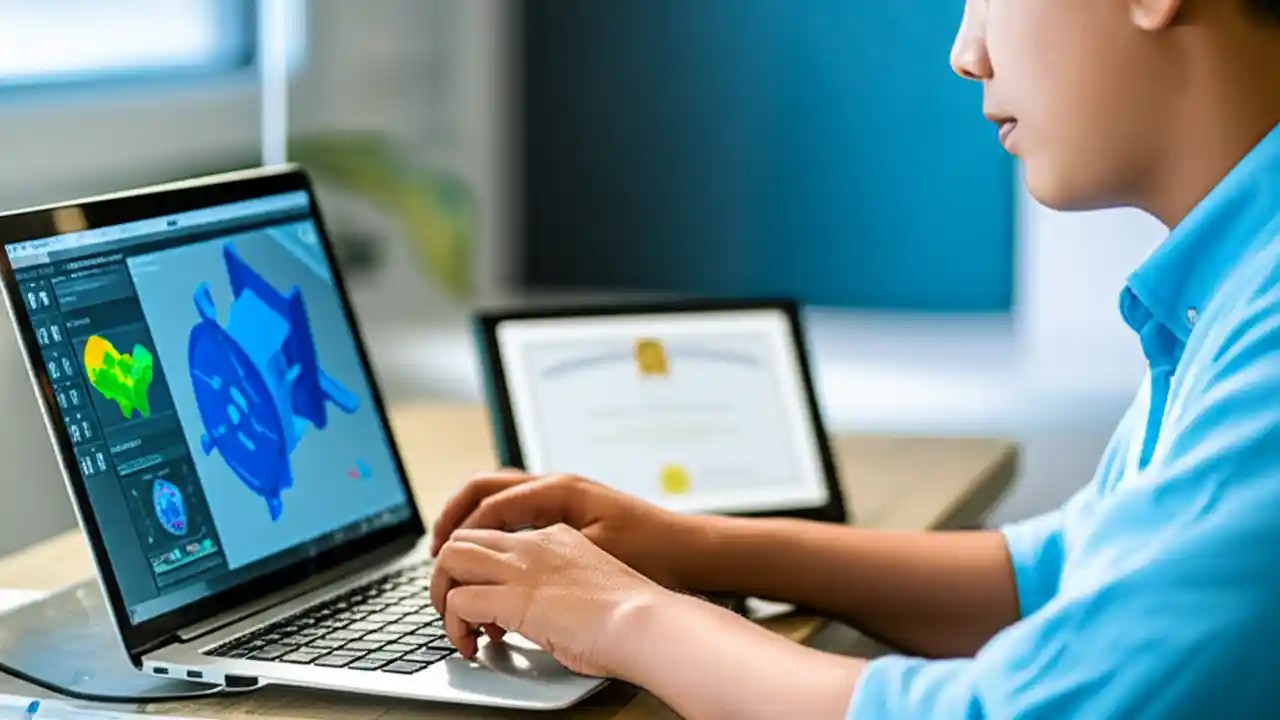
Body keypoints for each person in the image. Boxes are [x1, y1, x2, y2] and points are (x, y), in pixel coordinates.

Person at [428, 0, 1280, 717]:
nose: (966, 52)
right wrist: (694, 547)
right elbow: (1066, 570)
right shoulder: (1236, 284)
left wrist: (620, 617)